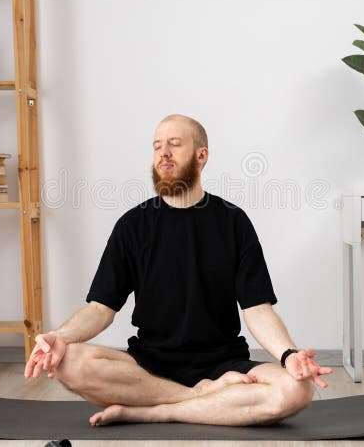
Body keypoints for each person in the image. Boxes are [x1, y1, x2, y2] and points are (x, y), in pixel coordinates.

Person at [24, 114, 332, 427]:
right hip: (148, 365)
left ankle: (154, 411)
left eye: (174, 144)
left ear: (202, 156)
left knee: (296, 390)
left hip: (224, 361)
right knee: (67, 362)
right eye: (157, 146)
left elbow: (257, 309)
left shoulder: (234, 222)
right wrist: (59, 336)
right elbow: (101, 309)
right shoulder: (132, 226)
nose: (163, 153)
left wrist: (288, 355)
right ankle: (205, 399)